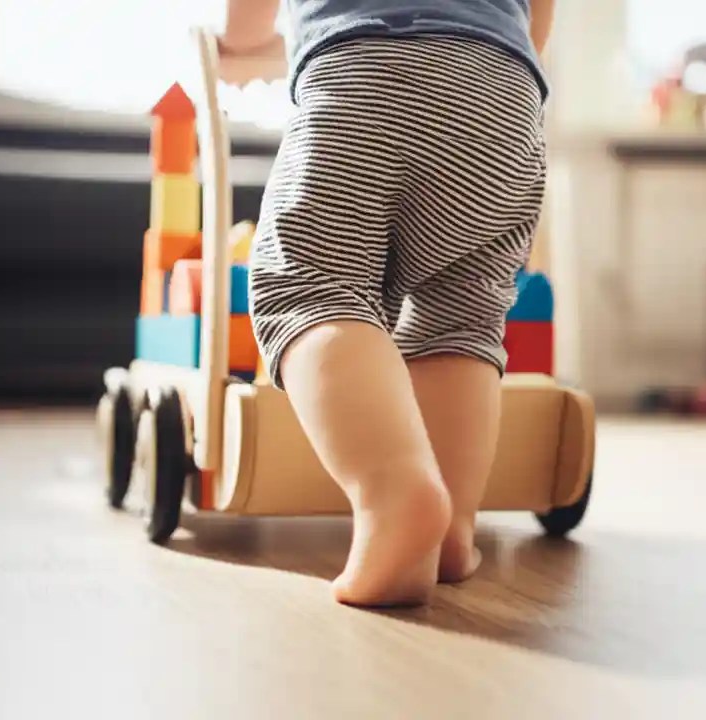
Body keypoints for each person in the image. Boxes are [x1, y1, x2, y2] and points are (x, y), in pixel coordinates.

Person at [220, 0, 555, 607]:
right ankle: (452, 526)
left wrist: (239, 45)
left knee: (309, 282)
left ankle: (395, 496)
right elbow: (542, 18)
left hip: (362, 71)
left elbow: (249, 19)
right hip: (503, 92)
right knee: (463, 310)